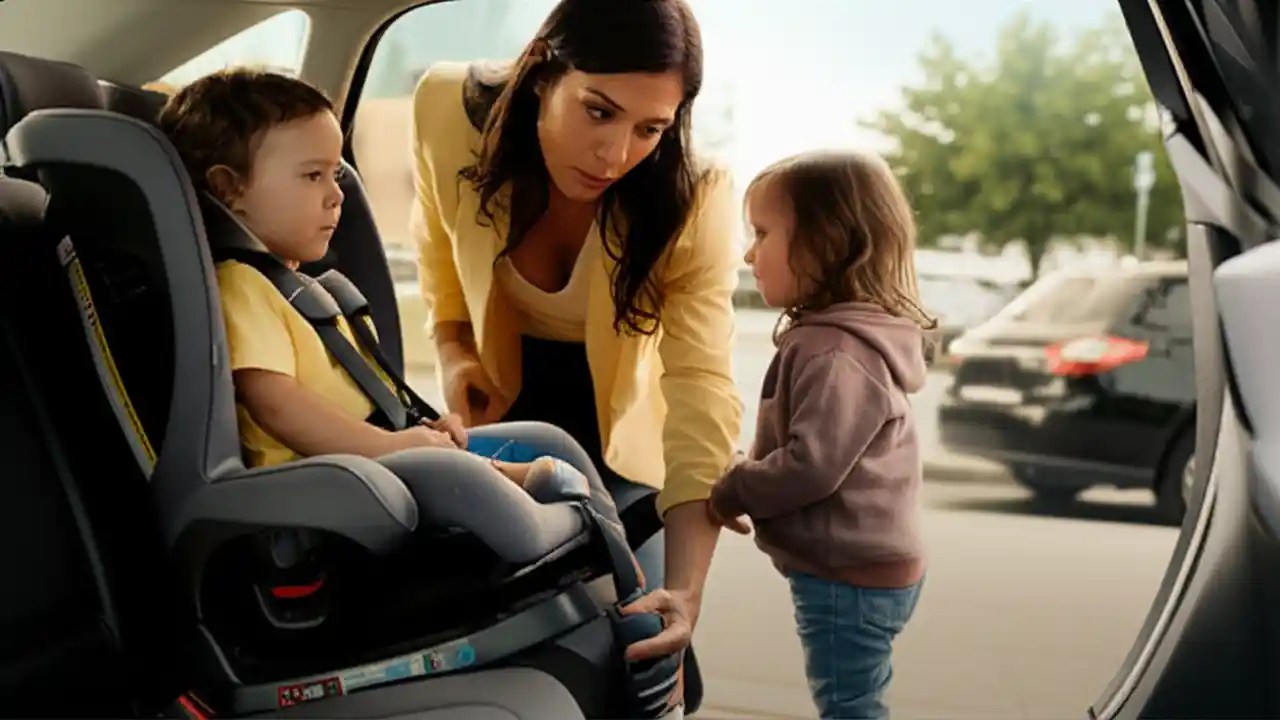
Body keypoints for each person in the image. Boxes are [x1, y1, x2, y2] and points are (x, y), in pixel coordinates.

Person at [410, 0, 743, 703]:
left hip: (622, 450)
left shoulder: (694, 198)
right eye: (599, 111)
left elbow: (702, 386)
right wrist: (454, 352)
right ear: (541, 73)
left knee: (652, 669)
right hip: (507, 419)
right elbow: (437, 241)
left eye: (651, 129)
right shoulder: (446, 108)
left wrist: (687, 591)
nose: (616, 155)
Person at [157, 68, 630, 549]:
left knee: (551, 440)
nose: (337, 193)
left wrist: (417, 429)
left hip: (367, 455)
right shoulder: (240, 285)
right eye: (312, 176)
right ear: (229, 189)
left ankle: (627, 588)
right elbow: (276, 404)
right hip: (319, 483)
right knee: (475, 487)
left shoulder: (300, 292)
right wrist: (390, 446)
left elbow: (360, 398)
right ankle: (538, 498)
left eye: (336, 173)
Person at [708, 149, 934, 720]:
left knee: (849, 708)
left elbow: (811, 466)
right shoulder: (848, 338)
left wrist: (733, 489)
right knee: (854, 700)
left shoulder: (836, 350)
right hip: (871, 569)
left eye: (762, 233)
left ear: (826, 243)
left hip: (848, 579)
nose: (748, 252)